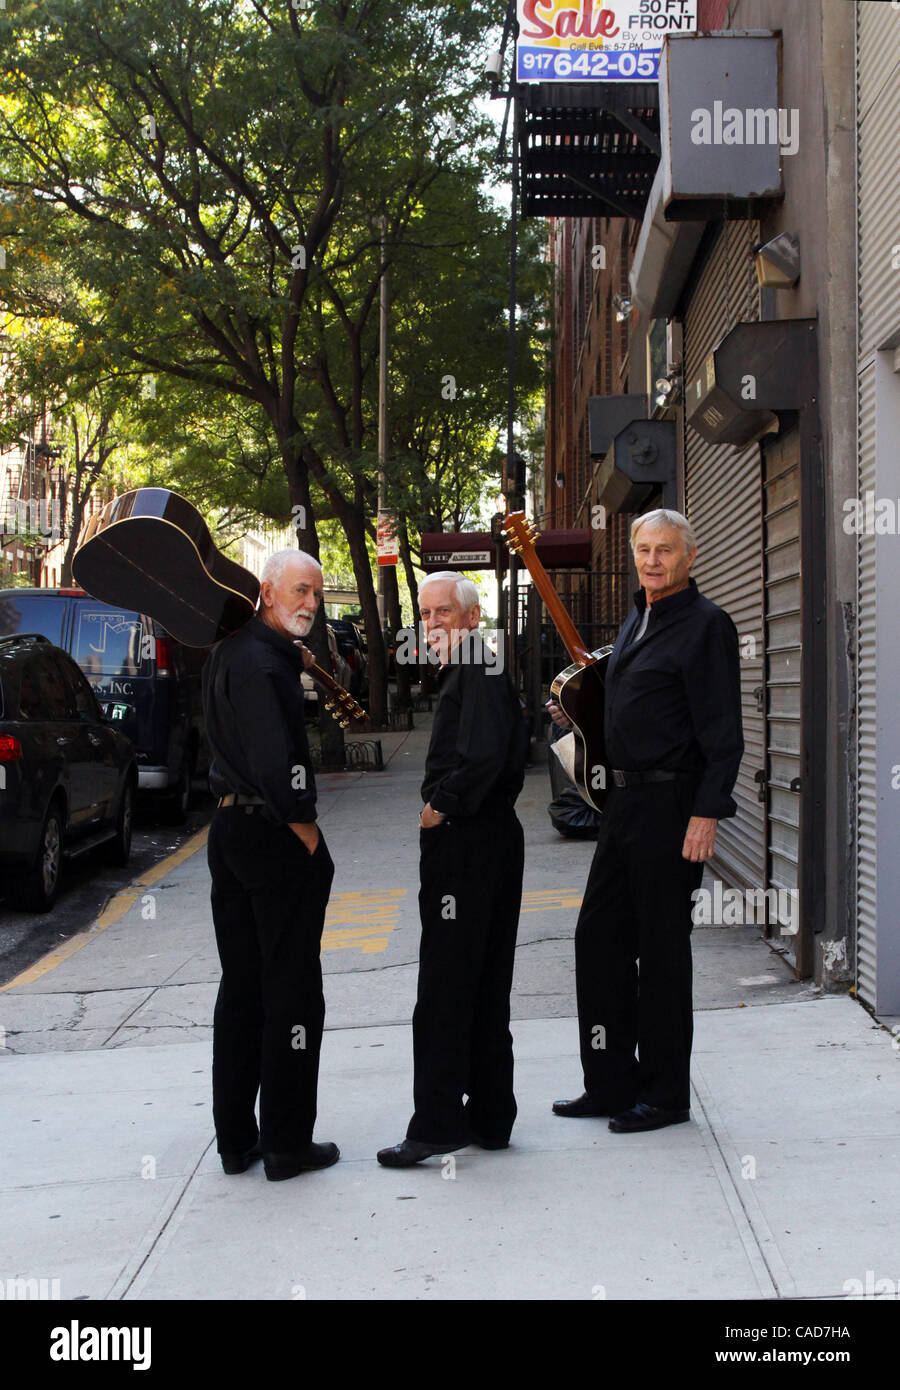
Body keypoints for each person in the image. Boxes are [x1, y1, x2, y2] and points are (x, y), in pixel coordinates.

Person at [550, 510, 743, 1133]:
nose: (652, 560)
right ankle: (609, 1082)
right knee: (598, 940)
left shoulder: (708, 626)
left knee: (660, 954)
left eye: (664, 550)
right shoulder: (638, 617)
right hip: (623, 807)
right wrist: (576, 715)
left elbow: (723, 733)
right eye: (642, 549)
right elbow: (624, 701)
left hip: (673, 806)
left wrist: (706, 812)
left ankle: (665, 1096)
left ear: (690, 556)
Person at [377, 574, 529, 1167]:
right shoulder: (476, 667)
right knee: (484, 980)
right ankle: (492, 1117)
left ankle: (438, 1123)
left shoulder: (477, 667)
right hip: (485, 840)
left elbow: (483, 757)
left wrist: (437, 808)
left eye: (445, 612)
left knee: (445, 986)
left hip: (467, 843)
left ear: (471, 618)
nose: (433, 623)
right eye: (426, 613)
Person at [202, 549, 339, 1181]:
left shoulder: (233, 650)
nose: (310, 602)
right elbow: (276, 762)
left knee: (243, 988)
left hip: (230, 831)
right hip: (270, 833)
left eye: (315, 592)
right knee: (291, 994)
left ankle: (236, 1139)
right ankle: (286, 1142)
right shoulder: (262, 662)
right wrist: (306, 831)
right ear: (267, 592)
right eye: (299, 591)